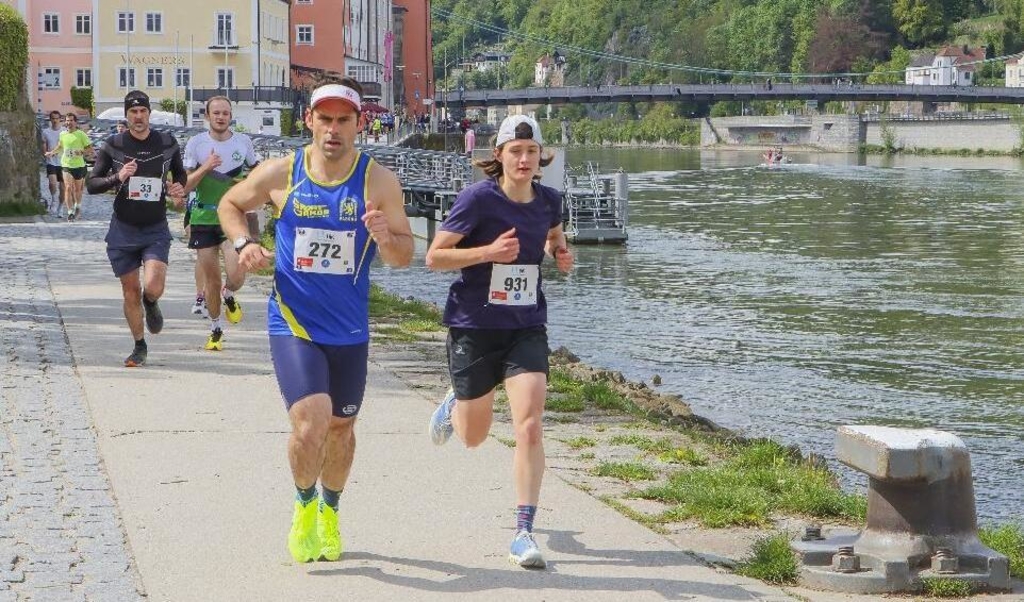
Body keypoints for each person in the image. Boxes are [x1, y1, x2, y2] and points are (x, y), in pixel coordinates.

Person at [218, 77, 414, 563]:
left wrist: (386, 235)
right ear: (308, 121)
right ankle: (304, 507)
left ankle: (330, 509)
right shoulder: (283, 173)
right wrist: (244, 244)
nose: (332, 129)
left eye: (343, 120)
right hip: (294, 322)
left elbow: (404, 256)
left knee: (341, 431)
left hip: (349, 329)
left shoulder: (378, 182)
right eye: (323, 119)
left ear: (359, 125)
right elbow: (230, 204)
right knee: (311, 423)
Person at [425, 114, 574, 569]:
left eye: (532, 152)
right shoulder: (477, 200)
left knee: (529, 423)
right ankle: (456, 404)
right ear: (500, 156)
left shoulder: (550, 200)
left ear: (540, 157)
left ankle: (523, 531)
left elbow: (551, 236)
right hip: (474, 325)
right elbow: (434, 256)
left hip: (526, 324)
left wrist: (560, 253)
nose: (524, 160)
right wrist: (487, 253)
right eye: (516, 152)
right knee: (474, 436)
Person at [86, 90, 187, 367]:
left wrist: (178, 186)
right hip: (123, 228)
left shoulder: (167, 142)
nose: (138, 117)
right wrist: (117, 177)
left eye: (143, 111)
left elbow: (180, 173)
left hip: (154, 226)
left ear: (149, 114)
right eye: (133, 112)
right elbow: (91, 184)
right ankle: (139, 345)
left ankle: (151, 302)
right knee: (130, 290)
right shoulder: (114, 144)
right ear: (126, 115)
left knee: (152, 286)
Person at [182, 96, 259, 350]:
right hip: (203, 217)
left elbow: (257, 174)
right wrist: (206, 167)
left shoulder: (243, 142)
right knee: (211, 280)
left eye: (225, 113)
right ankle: (216, 328)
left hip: (233, 218)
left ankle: (229, 294)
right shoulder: (196, 143)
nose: (221, 117)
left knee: (237, 274)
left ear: (230, 116)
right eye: (216, 113)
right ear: (207, 116)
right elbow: (185, 186)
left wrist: (253, 187)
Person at [45, 113, 93, 221]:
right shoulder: (62, 134)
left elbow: (90, 150)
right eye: (67, 120)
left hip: (79, 166)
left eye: (71, 120)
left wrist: (81, 151)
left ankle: (78, 207)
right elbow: (60, 146)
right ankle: (70, 212)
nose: (69, 122)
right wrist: (52, 152)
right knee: (67, 187)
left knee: (77, 190)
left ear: (75, 122)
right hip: (66, 165)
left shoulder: (81, 134)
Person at [40, 110, 65, 216]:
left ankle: (61, 206)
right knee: (52, 183)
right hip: (51, 162)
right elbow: (44, 145)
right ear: (50, 119)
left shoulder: (64, 131)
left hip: (63, 162)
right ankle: (54, 201)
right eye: (53, 118)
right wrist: (46, 153)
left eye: (57, 118)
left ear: (60, 119)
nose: (55, 120)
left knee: (63, 188)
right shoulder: (46, 132)